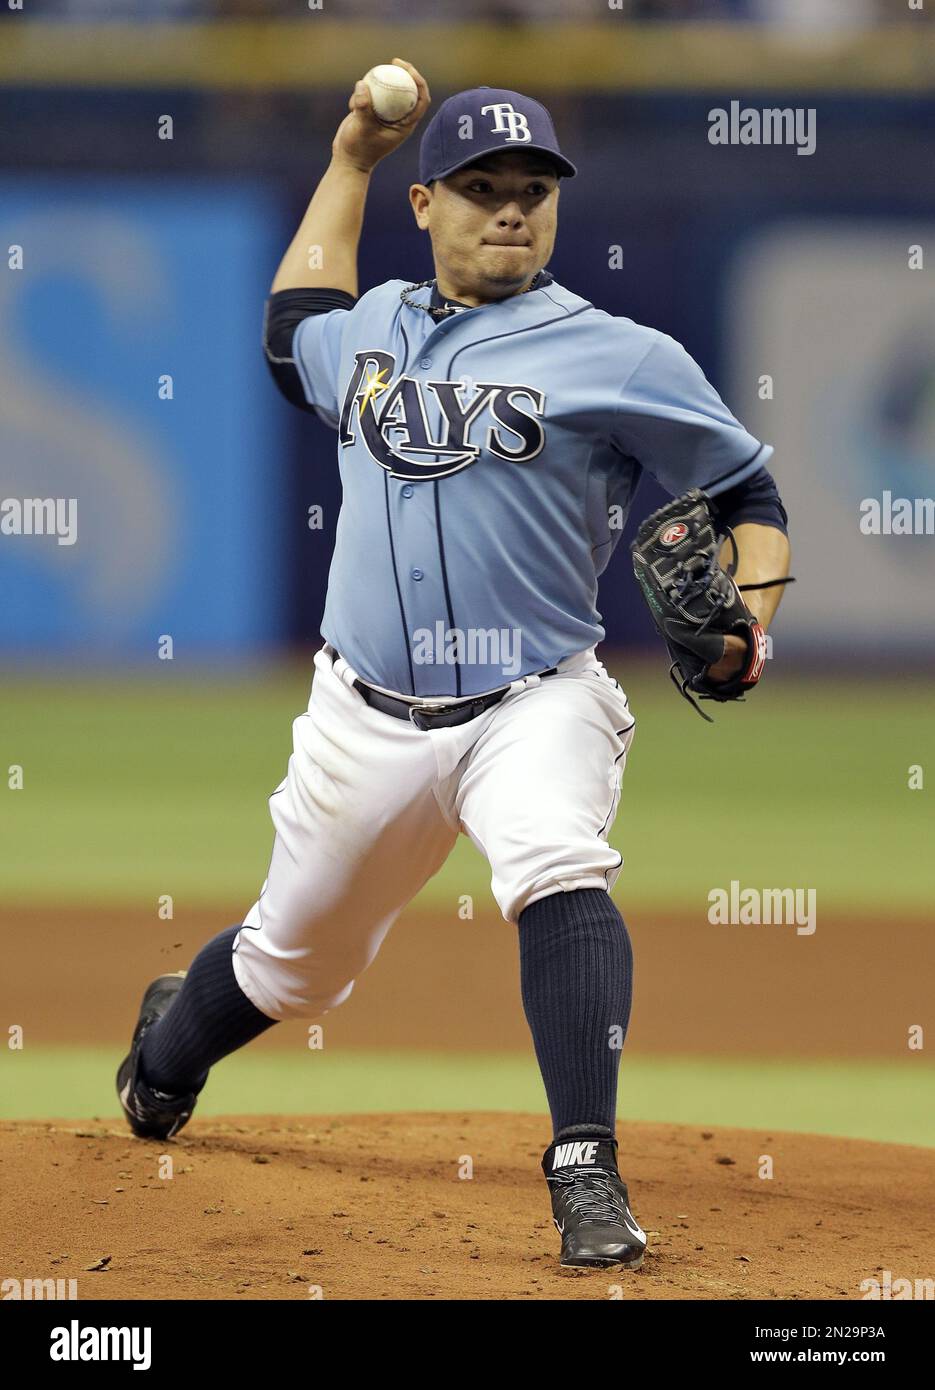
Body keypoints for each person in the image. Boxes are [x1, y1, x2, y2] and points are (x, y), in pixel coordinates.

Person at [117, 61, 790, 1271]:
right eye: (481, 187)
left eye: (532, 187)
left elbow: (746, 488)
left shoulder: (617, 352)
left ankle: (583, 1167)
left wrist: (751, 614)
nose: (512, 209)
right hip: (361, 717)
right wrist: (348, 159)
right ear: (426, 205)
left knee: (553, 861)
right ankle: (165, 1055)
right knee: (291, 967)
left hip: (536, 697)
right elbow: (289, 334)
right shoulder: (371, 324)